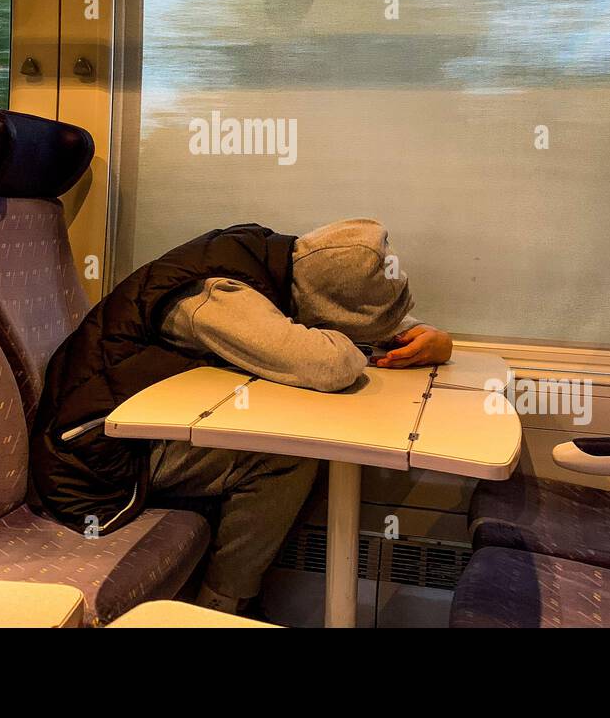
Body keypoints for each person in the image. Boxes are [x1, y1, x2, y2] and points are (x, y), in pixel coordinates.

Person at [29, 217, 453, 614]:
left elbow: (329, 325)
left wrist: (431, 337)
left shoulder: (272, 257)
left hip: (127, 427)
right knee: (285, 456)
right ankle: (223, 609)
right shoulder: (218, 296)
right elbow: (327, 365)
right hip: (92, 452)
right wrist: (363, 338)